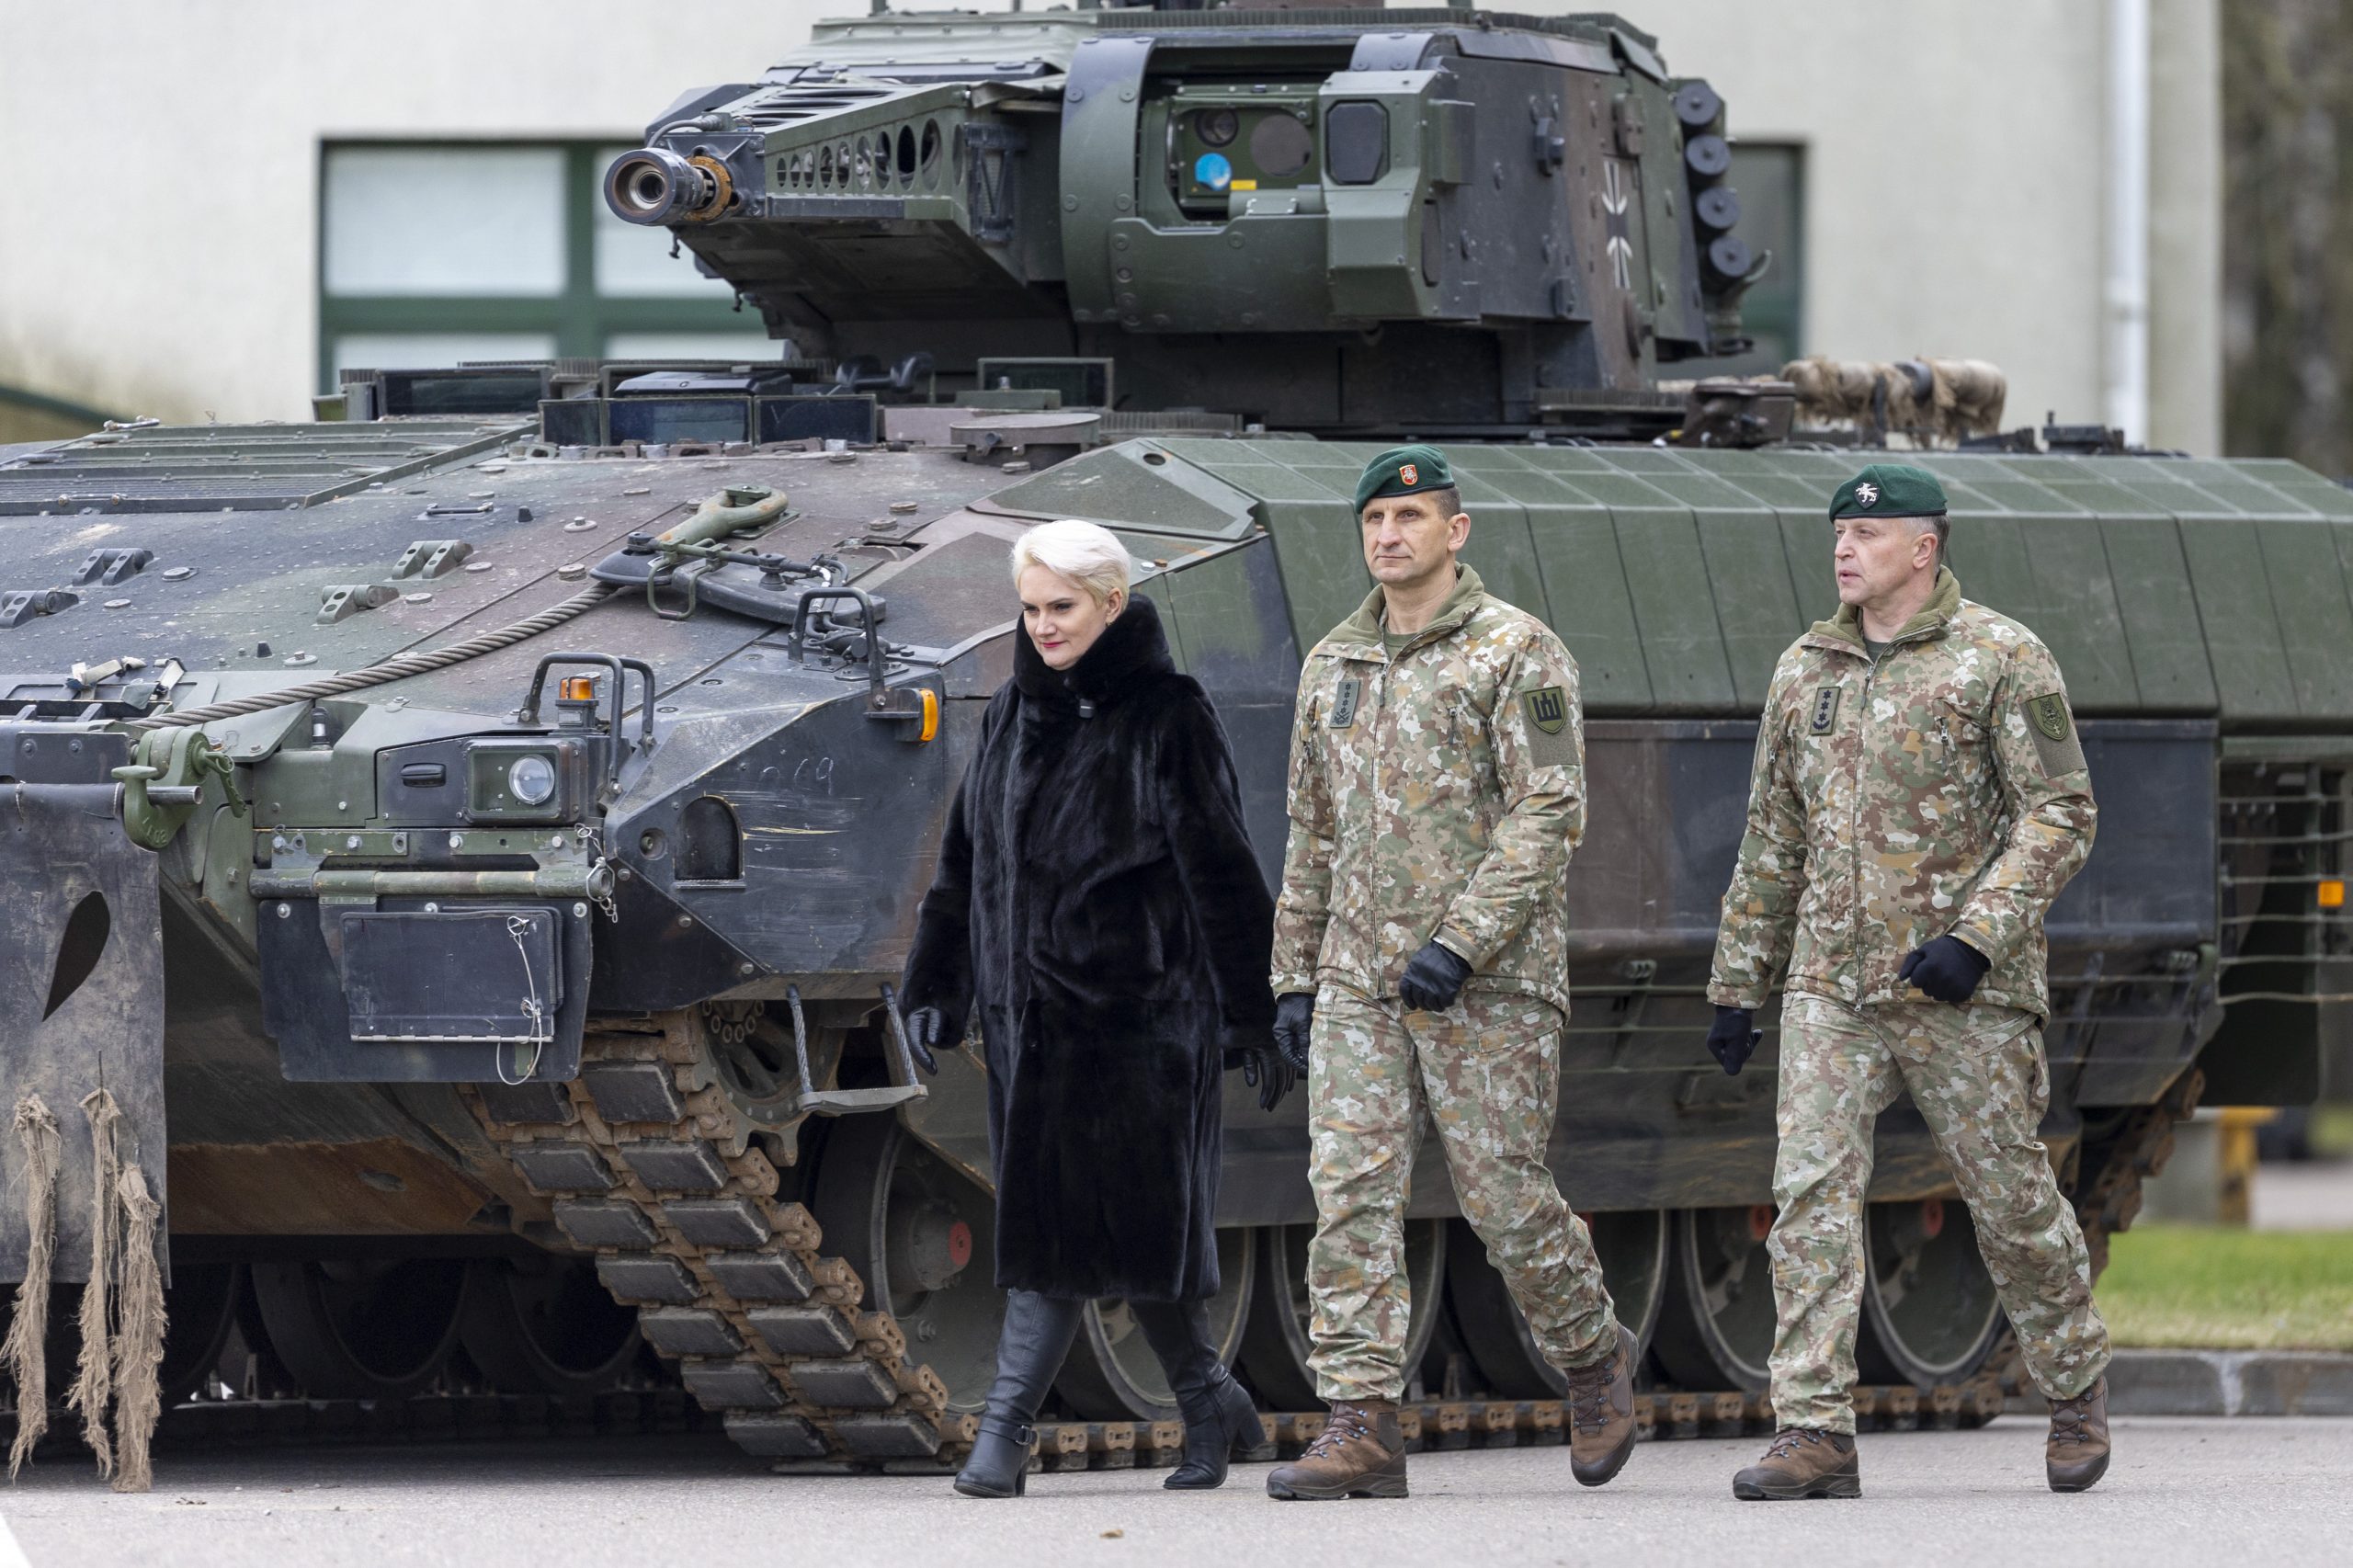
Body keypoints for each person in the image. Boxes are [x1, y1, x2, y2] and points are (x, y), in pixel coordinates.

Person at [1706, 462, 2111, 1500]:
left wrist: (1975, 937)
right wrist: (1736, 980)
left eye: (1869, 533)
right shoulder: (1806, 667)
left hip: (1960, 989)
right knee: (1807, 1199)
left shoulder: (2000, 658)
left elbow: (2060, 812)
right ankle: (1813, 1428)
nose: (1845, 547)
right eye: (1838, 530)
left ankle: (2072, 1389)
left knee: (2010, 1198)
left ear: (1923, 547)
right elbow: (1773, 836)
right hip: (1831, 986)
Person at [1263, 445, 1637, 1503]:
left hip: (1487, 980)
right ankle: (1360, 1418)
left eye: (1410, 516)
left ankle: (1590, 1352)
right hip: (1356, 981)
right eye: (1375, 517)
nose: (1389, 534)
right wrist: (1294, 974)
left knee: (1504, 1199)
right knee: (1348, 1195)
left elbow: (1549, 809)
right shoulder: (1335, 662)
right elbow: (1312, 828)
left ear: (1454, 530)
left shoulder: (1516, 651)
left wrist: (1459, 941)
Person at [898, 518, 1290, 1500]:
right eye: (1029, 609)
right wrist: (936, 983)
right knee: (1122, 1229)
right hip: (1021, 1025)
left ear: (1113, 602)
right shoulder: (1009, 715)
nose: (1041, 627)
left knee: (1060, 1234)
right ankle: (1210, 1398)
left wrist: (1255, 1011)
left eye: (1061, 607)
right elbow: (963, 862)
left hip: (1137, 1022)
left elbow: (1223, 869)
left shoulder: (1167, 713)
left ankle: (1001, 1437)